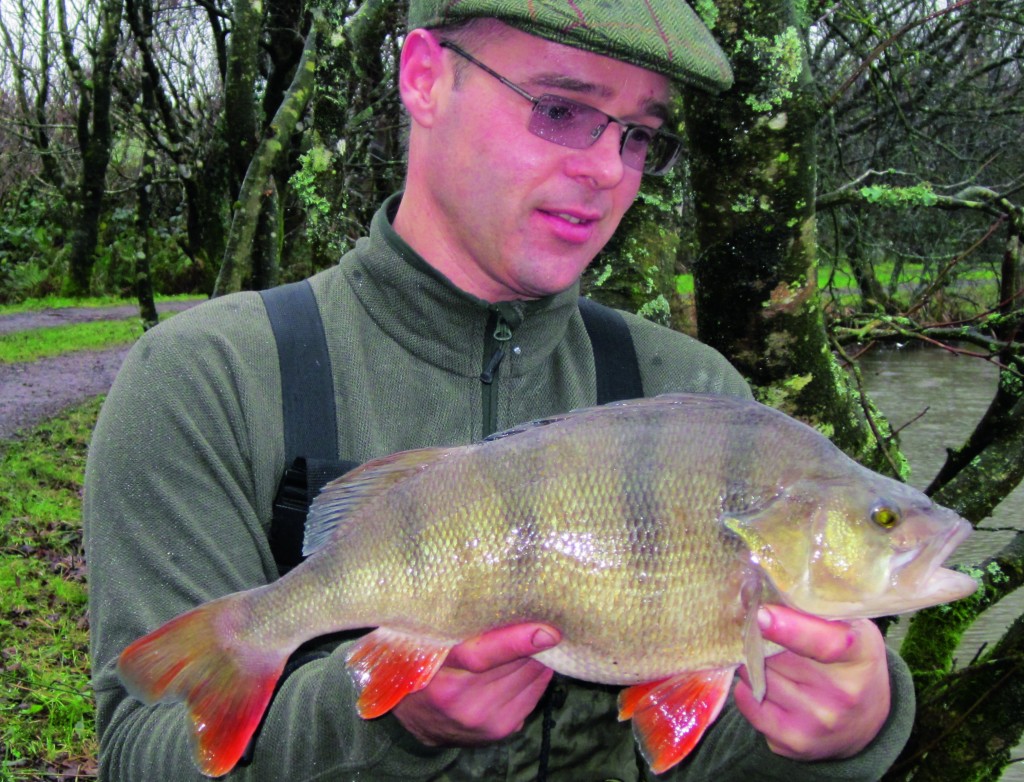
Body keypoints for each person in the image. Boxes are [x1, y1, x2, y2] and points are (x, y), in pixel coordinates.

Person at [84, 1, 915, 779]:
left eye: (639, 136)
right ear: (423, 78)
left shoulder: (693, 395)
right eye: (561, 109)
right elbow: (142, 751)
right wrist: (380, 720)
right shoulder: (207, 381)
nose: (605, 169)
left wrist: (848, 731)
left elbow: (706, 750)